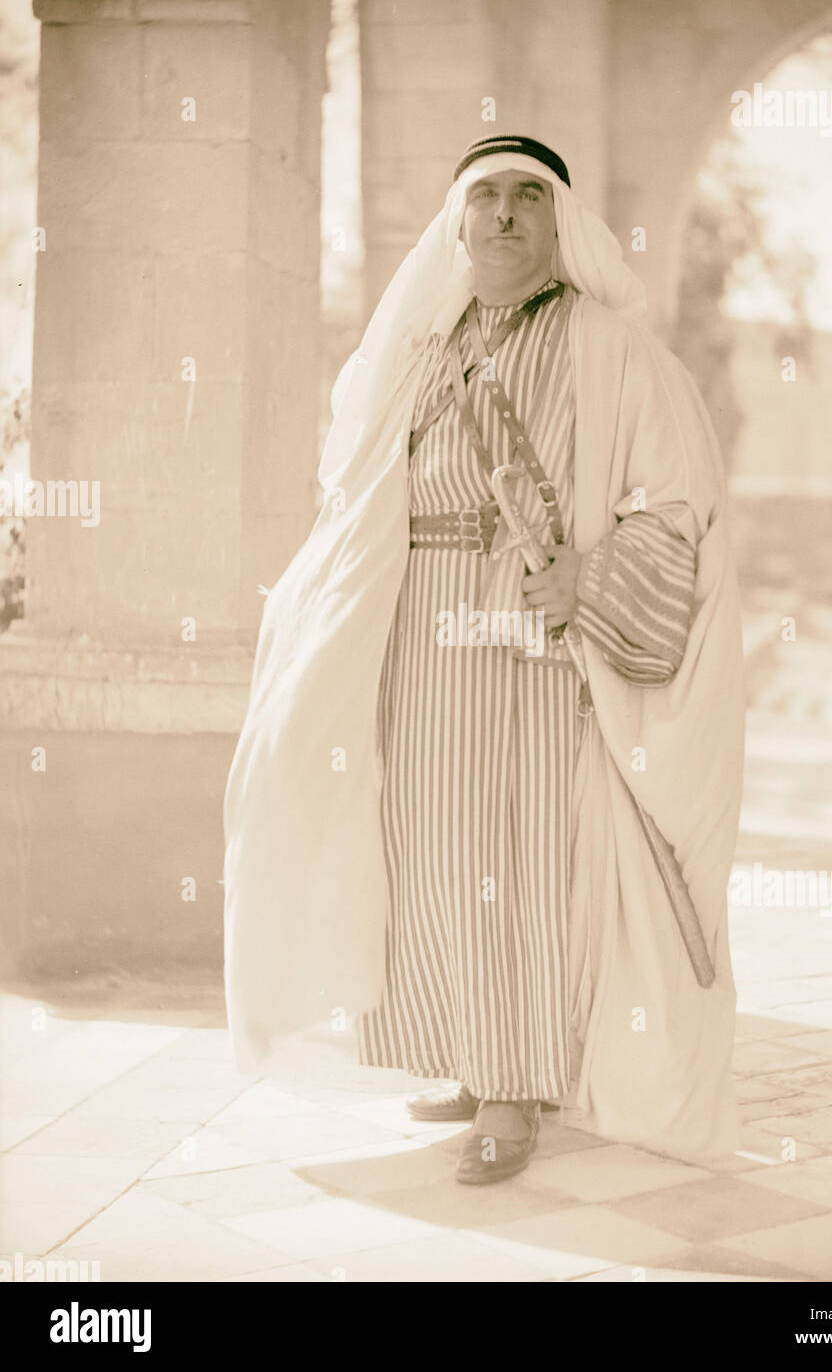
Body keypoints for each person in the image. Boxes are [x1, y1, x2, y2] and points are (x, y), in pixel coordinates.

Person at [223, 134, 746, 1186]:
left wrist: (587, 582)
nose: (502, 216)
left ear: (559, 226)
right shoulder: (424, 349)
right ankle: (466, 1054)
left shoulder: (612, 349)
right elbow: (359, 495)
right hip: (416, 631)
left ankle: (514, 1089)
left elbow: (671, 502)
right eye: (483, 199)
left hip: (529, 637)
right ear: (455, 225)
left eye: (524, 199)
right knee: (422, 837)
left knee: (511, 852)